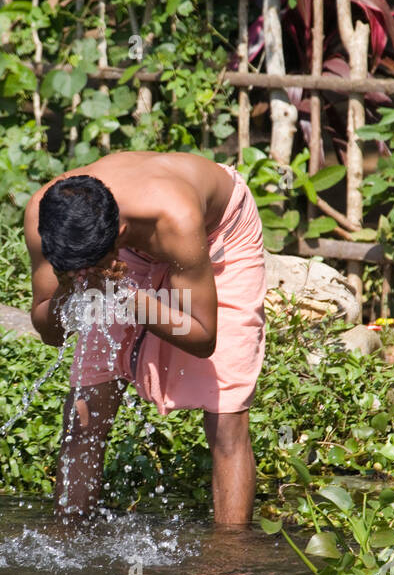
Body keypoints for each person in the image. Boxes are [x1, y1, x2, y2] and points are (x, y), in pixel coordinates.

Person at [23, 151, 266, 526]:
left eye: (90, 269)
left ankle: (230, 566)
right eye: (71, 270)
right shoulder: (46, 217)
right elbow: (51, 333)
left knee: (226, 418)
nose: (83, 276)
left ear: (118, 236)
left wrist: (128, 299)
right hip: (116, 253)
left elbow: (203, 337)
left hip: (219, 236)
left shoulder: (175, 217)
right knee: (85, 410)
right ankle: (68, 541)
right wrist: (70, 287)